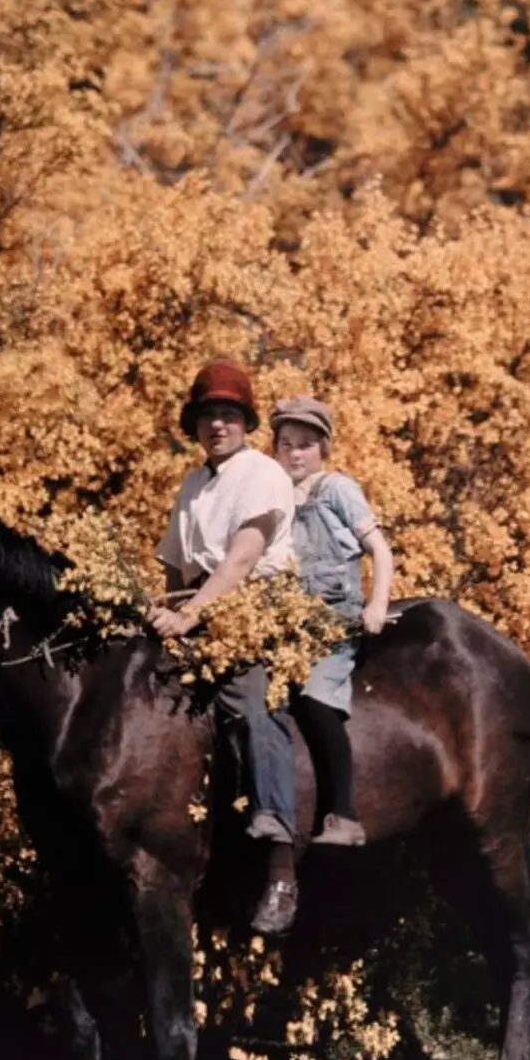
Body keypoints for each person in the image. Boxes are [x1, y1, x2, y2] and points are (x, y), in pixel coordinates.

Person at [152, 359, 300, 936]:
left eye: (229, 415)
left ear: (246, 422)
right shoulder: (193, 484)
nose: (218, 425)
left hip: (252, 606)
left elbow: (241, 559)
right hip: (198, 607)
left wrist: (189, 614)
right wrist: (164, 612)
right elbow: (174, 565)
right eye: (209, 415)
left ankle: (281, 863)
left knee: (253, 701)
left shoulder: (261, 474)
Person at [271, 396, 394, 847]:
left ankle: (344, 814)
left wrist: (376, 605)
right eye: (286, 444)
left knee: (316, 701)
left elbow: (381, 550)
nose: (295, 453)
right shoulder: (277, 499)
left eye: (305, 444)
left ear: (323, 447)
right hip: (288, 628)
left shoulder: (338, 489)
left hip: (335, 626)